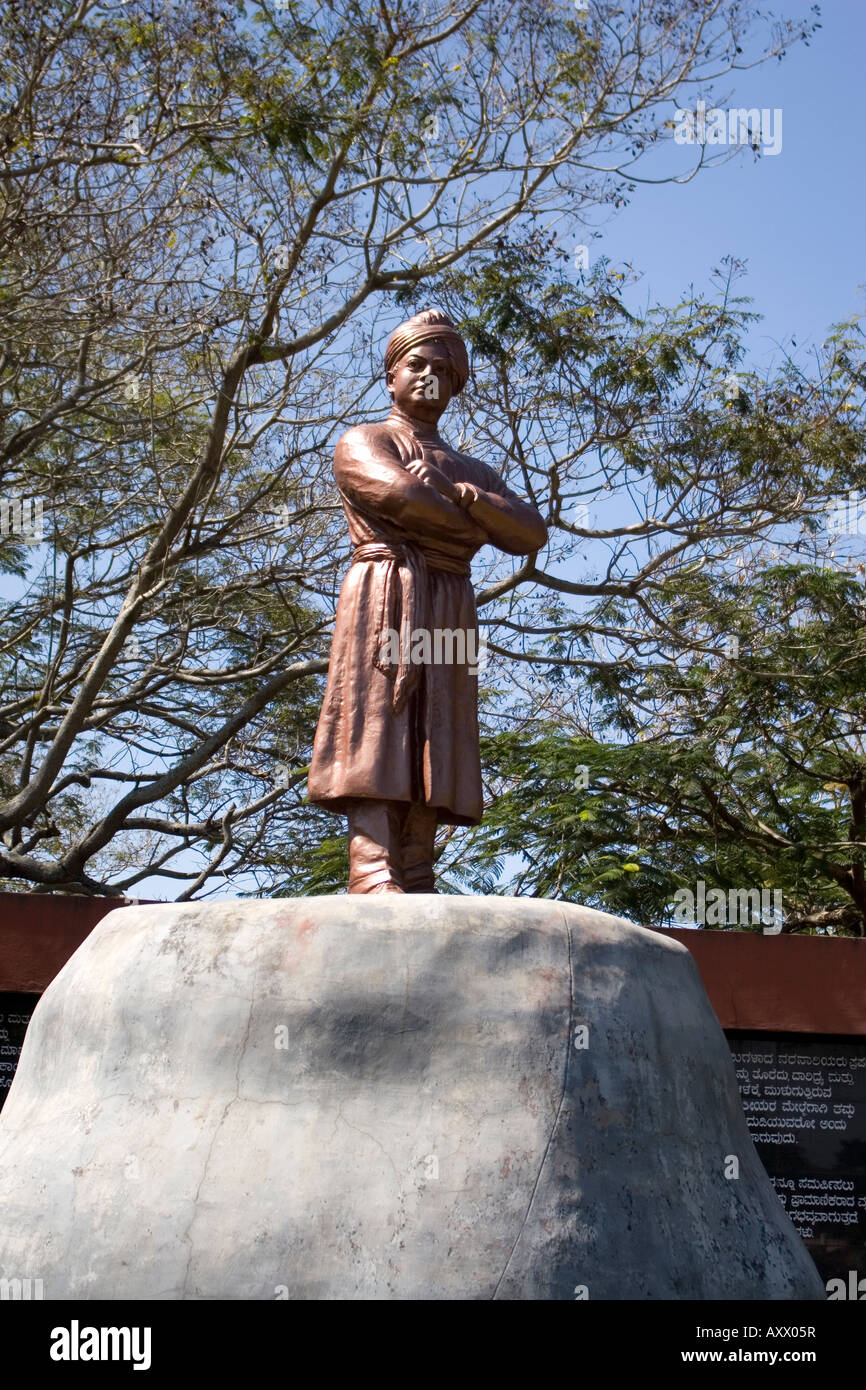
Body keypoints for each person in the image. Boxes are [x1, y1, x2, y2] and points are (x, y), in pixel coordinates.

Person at [307, 309, 547, 893]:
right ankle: (371, 869)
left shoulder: (473, 468)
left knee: (439, 727)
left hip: (449, 598)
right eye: (416, 364)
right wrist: (471, 523)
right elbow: (403, 498)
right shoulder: (364, 440)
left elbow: (529, 534)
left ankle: (417, 869)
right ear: (391, 374)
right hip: (388, 589)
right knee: (380, 721)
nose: (429, 376)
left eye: (444, 369)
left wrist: (462, 493)